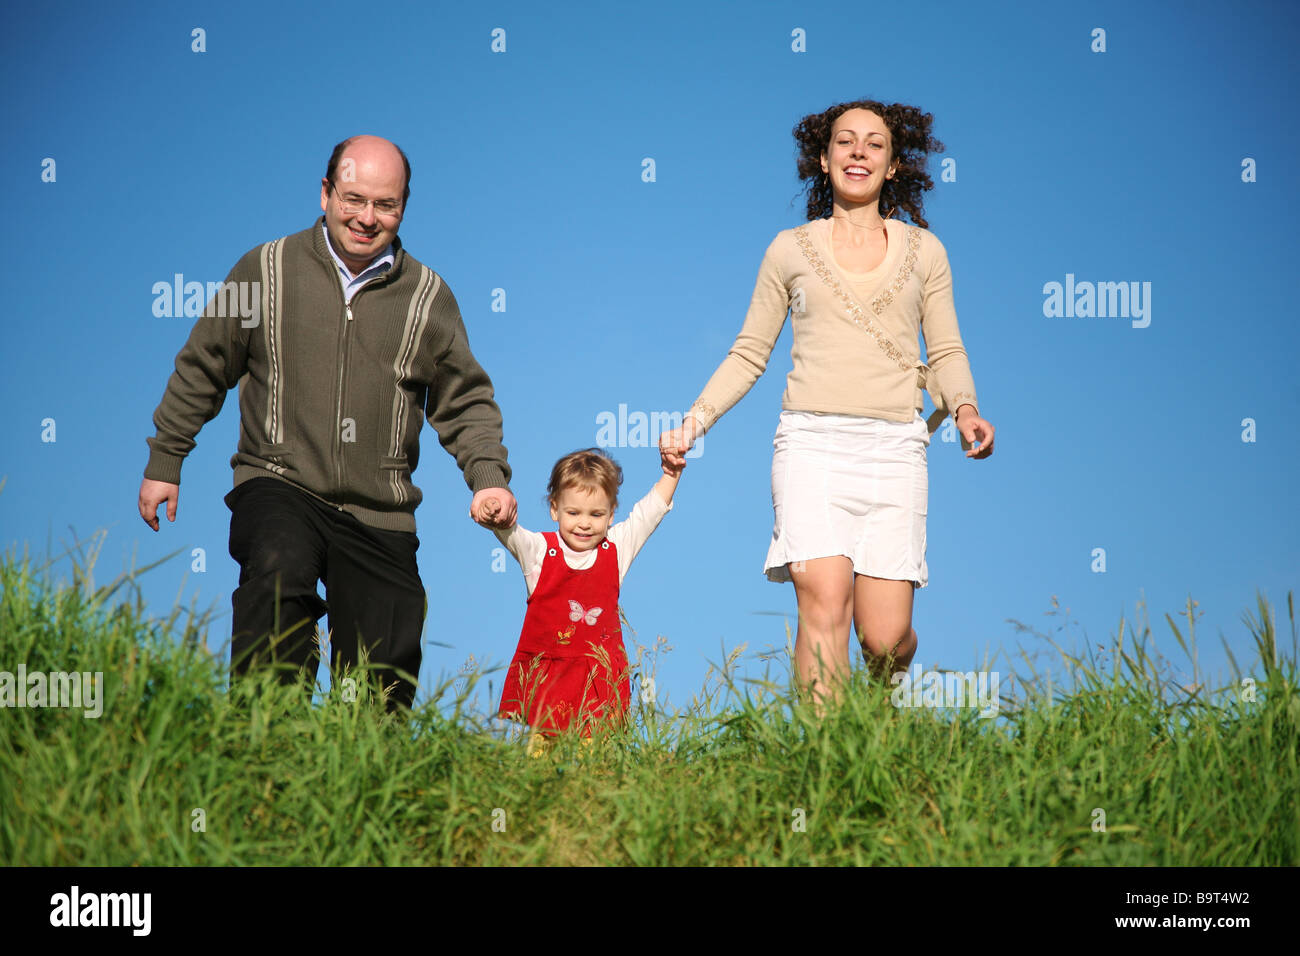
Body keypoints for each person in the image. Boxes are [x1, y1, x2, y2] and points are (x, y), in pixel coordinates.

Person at [137, 134, 517, 712]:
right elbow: (204, 364)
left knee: (383, 679)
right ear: (325, 193)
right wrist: (168, 457)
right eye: (353, 198)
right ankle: (266, 746)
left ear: (403, 208)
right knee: (277, 578)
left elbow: (464, 401)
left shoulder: (427, 297)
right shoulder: (266, 269)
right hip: (279, 479)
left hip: (380, 510)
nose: (366, 218)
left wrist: (488, 475)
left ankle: (363, 782)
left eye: (384, 205)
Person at [659, 99, 995, 705]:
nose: (859, 152)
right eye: (845, 141)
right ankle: (825, 773)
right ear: (823, 158)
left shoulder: (926, 253)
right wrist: (695, 421)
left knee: (887, 638)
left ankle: (875, 713)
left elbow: (945, 350)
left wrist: (965, 410)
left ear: (893, 165)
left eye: (874, 143)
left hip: (895, 447)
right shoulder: (789, 249)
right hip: (810, 444)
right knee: (824, 602)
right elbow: (748, 352)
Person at [486, 448, 681, 749]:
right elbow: (508, 530)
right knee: (542, 757)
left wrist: (670, 474)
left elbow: (649, 513)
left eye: (596, 514)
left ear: (611, 514)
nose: (584, 523)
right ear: (554, 509)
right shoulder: (539, 551)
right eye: (573, 512)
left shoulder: (615, 548)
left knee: (598, 760)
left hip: (598, 678)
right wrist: (493, 510)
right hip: (549, 677)